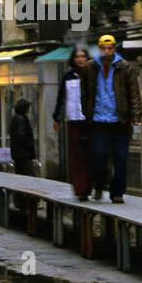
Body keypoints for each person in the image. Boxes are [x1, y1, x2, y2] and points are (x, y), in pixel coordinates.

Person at [81, 34, 142, 204]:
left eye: (110, 48)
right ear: (99, 49)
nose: (107, 51)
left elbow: (134, 92)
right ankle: (99, 185)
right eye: (103, 48)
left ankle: (117, 193)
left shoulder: (126, 67)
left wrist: (136, 114)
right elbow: (84, 93)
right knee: (99, 155)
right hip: (98, 120)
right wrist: (86, 114)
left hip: (120, 119)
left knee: (121, 157)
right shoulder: (89, 67)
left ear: (115, 48)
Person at [53, 45, 92, 202]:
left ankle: (90, 186)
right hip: (73, 120)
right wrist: (56, 117)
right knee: (76, 157)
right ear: (73, 59)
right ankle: (80, 189)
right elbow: (61, 97)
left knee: (90, 155)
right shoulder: (68, 76)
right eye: (77, 57)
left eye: (83, 56)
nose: (80, 59)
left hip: (90, 121)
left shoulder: (92, 75)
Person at [10, 98, 36, 176]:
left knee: (20, 175)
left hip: (17, 154)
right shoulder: (21, 120)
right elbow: (22, 136)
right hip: (24, 154)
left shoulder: (15, 118)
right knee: (29, 176)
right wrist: (30, 145)